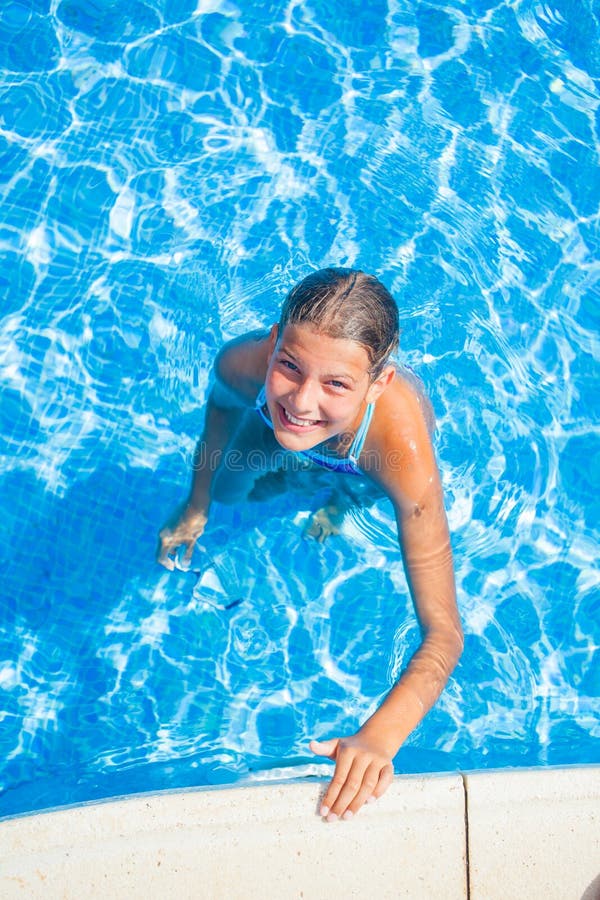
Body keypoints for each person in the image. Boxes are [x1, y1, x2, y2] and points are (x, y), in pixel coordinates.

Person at [157, 267, 463, 822]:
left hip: (364, 461)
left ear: (378, 385)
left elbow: (444, 635)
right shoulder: (241, 364)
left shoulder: (402, 451)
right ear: (273, 343)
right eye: (289, 366)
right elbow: (221, 412)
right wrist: (197, 502)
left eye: (337, 383)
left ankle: (335, 503)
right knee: (231, 487)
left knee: (347, 489)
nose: (300, 399)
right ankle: (297, 473)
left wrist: (379, 738)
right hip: (296, 432)